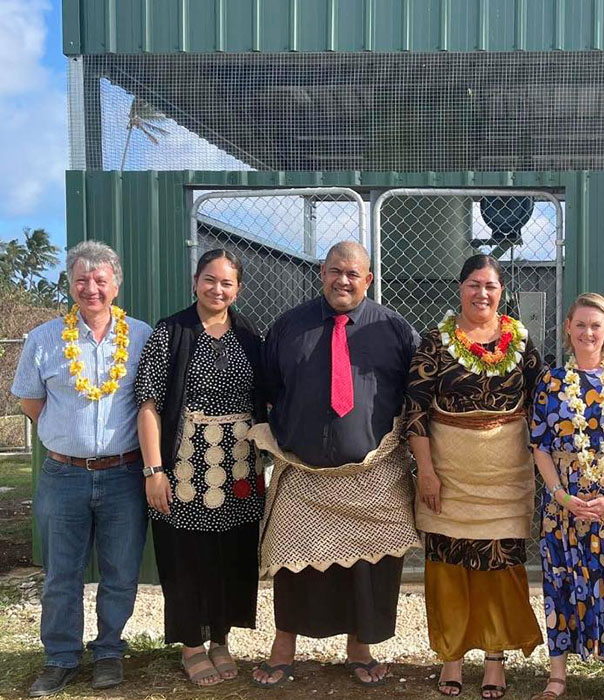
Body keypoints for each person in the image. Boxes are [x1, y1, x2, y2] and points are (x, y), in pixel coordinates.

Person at [250, 240, 420, 689]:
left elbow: (415, 397)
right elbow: (268, 391)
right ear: (322, 273)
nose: (343, 281)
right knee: (291, 563)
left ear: (368, 279)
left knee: (366, 568)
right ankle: (283, 648)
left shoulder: (395, 330)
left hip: (372, 475)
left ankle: (360, 648)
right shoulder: (288, 327)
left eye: (353, 274)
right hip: (303, 475)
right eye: (334, 271)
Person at [12, 241, 151, 697]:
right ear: (70, 284)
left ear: (116, 282)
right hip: (64, 474)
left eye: (99, 279)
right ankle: (60, 657)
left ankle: (109, 651)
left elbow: (149, 404)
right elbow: (33, 403)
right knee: (61, 574)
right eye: (80, 279)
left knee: (120, 571)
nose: (90, 288)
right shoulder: (43, 339)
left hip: (124, 474)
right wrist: (69, 438)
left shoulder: (143, 336)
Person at [406, 254, 544, 698]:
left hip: (505, 477)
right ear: (460, 288)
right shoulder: (434, 343)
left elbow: (541, 406)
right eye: (473, 284)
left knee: (500, 564)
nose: (481, 293)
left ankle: (495, 658)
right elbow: (415, 412)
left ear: (501, 291)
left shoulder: (522, 345)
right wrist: (425, 472)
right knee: (449, 563)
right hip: (448, 476)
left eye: (490, 285)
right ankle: (451, 656)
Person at [134, 249, 265, 686]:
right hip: (183, 465)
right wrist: (154, 470)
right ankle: (192, 644)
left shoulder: (249, 335)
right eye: (210, 280)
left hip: (240, 467)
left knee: (231, 555)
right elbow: (148, 404)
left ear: (238, 289)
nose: (217, 289)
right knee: (186, 557)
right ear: (195, 281)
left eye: (227, 283)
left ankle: (222, 639)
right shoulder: (170, 331)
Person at [529, 293, 604, 700]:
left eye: (596, 325)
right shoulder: (551, 381)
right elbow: (540, 445)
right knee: (561, 579)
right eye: (580, 324)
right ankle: (557, 675)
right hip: (564, 504)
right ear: (568, 327)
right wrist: (559, 494)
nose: (587, 332)